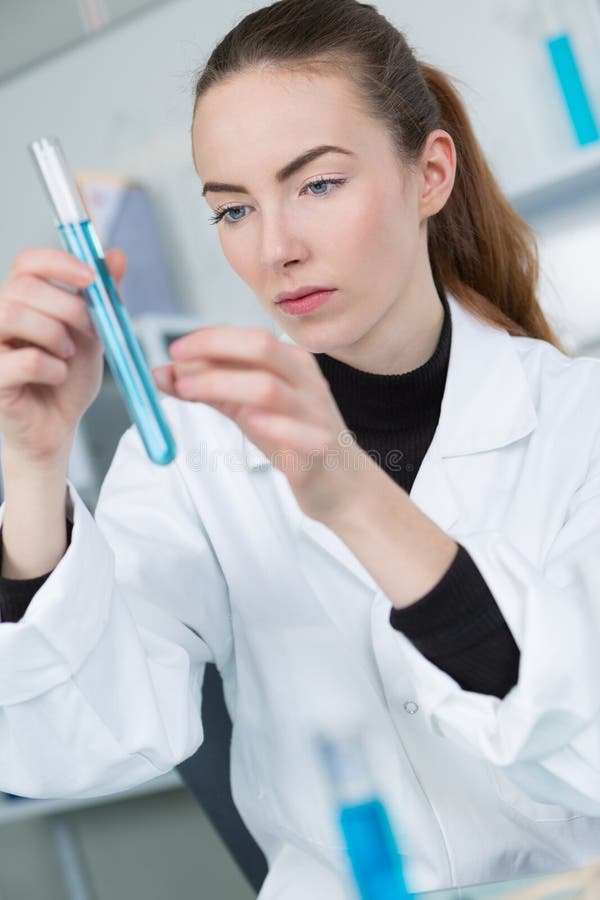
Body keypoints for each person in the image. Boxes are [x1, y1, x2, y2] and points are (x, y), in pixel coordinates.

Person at [0, 0, 599, 896]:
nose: (275, 248)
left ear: (431, 174)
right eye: (234, 209)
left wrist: (352, 495)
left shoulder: (579, 420)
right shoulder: (194, 446)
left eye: (317, 185)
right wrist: (33, 464)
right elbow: (69, 745)